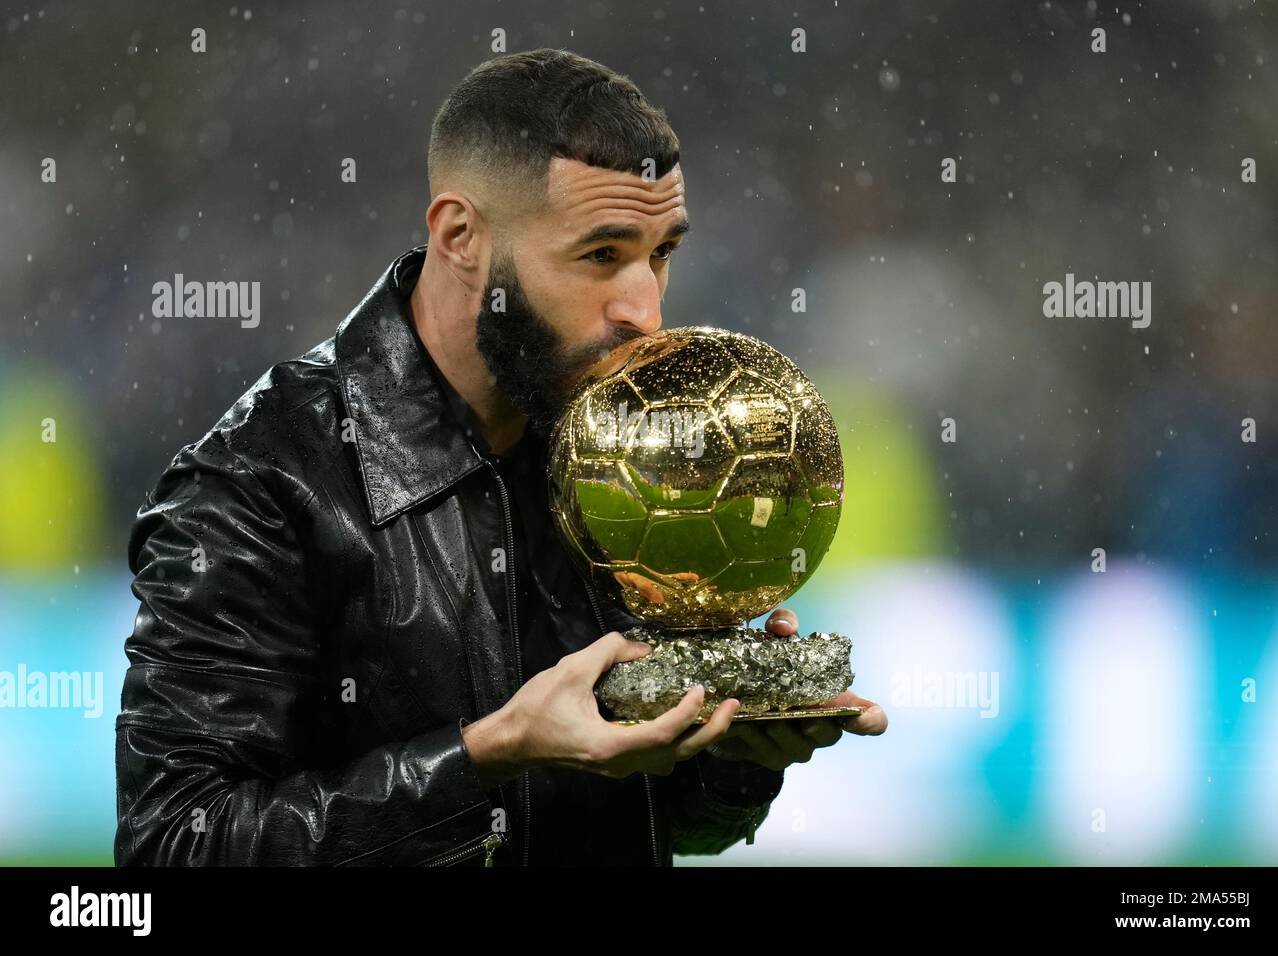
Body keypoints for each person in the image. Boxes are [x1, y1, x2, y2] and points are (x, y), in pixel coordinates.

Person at [114, 47, 886, 868]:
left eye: (662, 252)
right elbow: (172, 847)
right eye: (601, 256)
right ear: (460, 236)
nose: (645, 310)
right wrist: (486, 754)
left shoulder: (630, 458)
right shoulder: (262, 483)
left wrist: (732, 753)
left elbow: (651, 824)